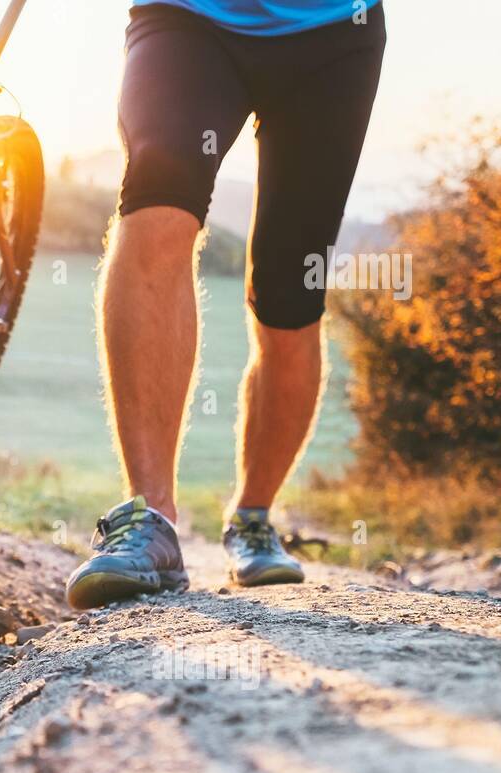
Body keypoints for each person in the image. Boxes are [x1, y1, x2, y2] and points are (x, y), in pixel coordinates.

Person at [65, 0, 387, 609]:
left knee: (290, 290)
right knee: (159, 185)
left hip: (332, 35)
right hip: (186, 18)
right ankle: (150, 518)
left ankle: (254, 517)